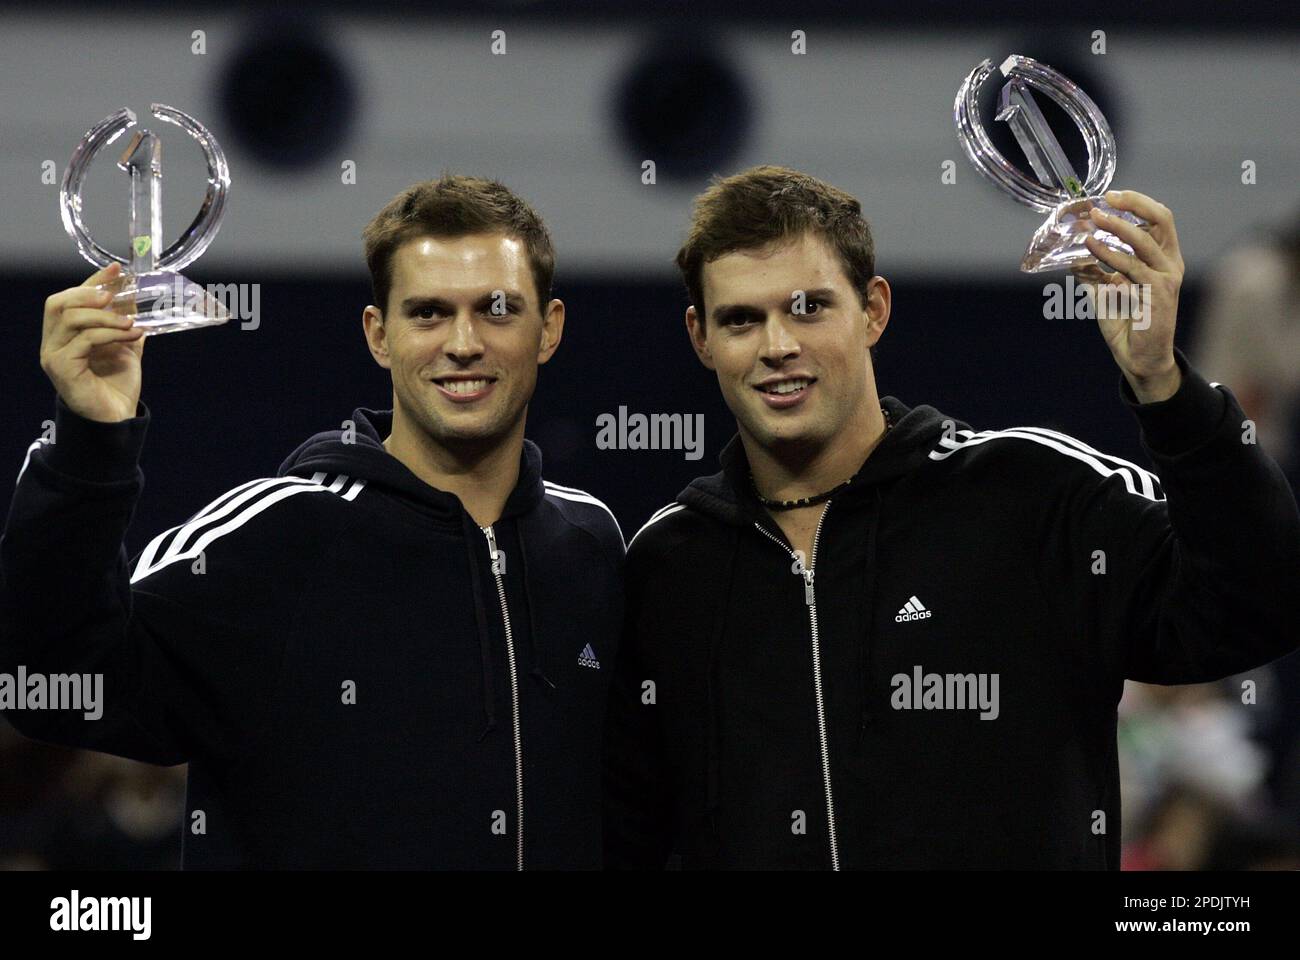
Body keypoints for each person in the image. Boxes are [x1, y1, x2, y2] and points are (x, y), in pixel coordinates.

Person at [603, 165, 1300, 869]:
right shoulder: (669, 564)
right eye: (741, 319)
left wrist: (1165, 387)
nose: (777, 345)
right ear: (700, 337)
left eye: (809, 307)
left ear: (874, 309)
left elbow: (1258, 603)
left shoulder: (1030, 493)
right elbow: (634, 831)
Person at [1, 174, 624, 869]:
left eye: (497, 310)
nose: (463, 343)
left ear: (551, 329)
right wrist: (88, 440)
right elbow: (50, 682)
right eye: (427, 314)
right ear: (378, 335)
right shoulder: (274, 539)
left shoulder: (590, 544)